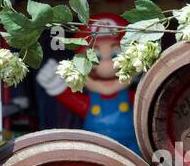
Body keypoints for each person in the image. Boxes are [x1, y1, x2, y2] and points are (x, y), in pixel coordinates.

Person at [36, 13, 140, 154]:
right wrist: (55, 84)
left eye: (115, 55)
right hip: (95, 153)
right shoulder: (90, 102)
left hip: (133, 152)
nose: (106, 68)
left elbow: (150, 104)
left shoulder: (135, 98)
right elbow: (73, 101)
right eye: (95, 58)